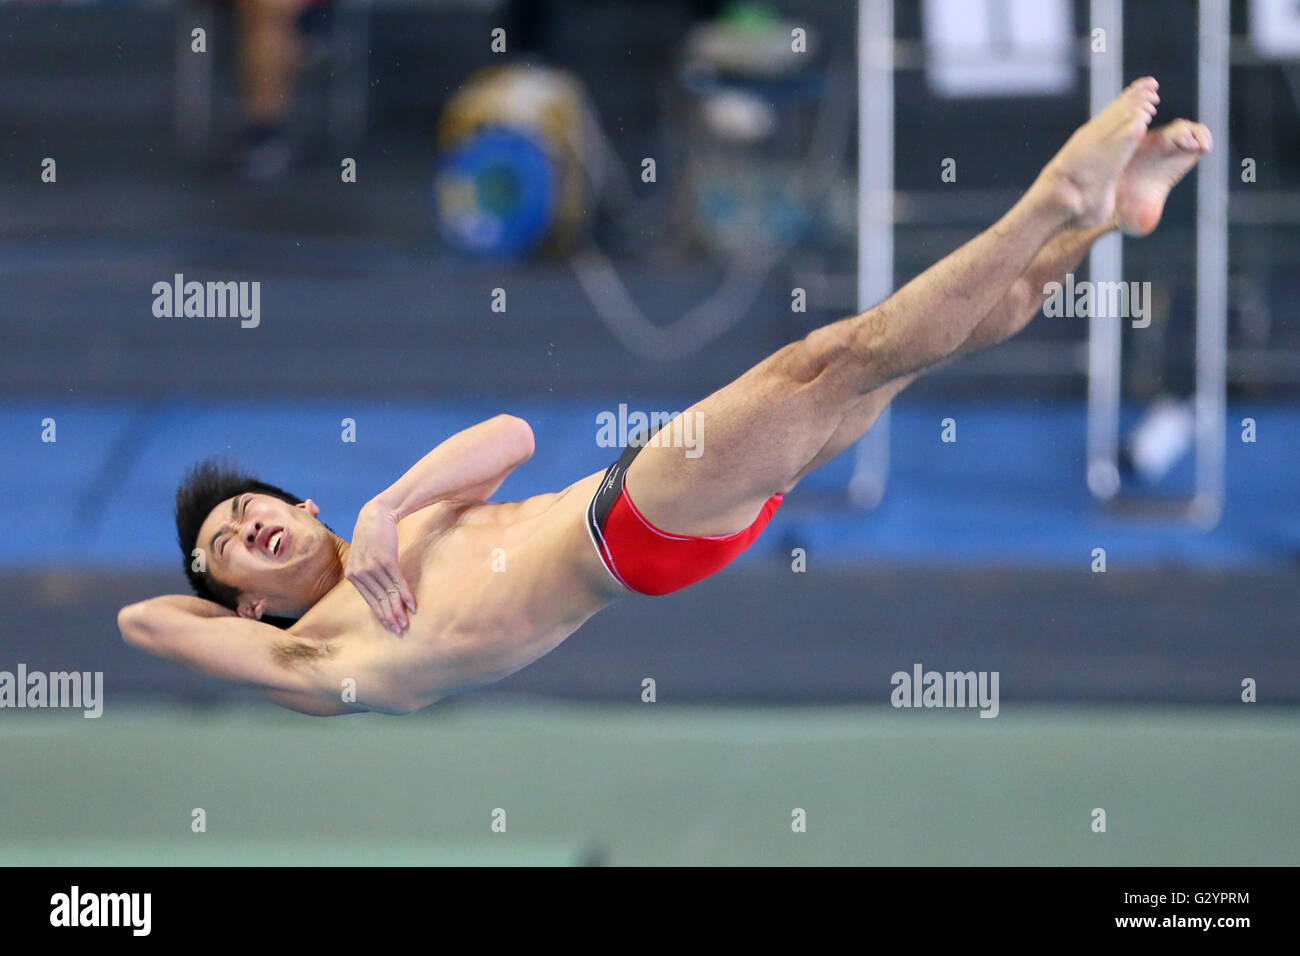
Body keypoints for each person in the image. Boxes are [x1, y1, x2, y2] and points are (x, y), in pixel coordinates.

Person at [119, 80, 1211, 716]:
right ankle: (1050, 198)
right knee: (836, 356)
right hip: (628, 533)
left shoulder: (399, 532)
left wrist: (388, 506)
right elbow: (142, 618)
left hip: (642, 506)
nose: (244, 523)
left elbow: (509, 431)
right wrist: (248, 599)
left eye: (252, 505)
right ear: (244, 600)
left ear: (306, 504)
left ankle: (1106, 214)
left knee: (893, 355)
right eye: (225, 542)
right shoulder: (309, 656)